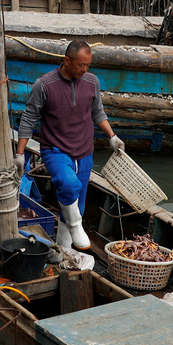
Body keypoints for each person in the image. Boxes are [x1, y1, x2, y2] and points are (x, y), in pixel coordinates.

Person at [13, 40, 124, 250]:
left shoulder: (92, 82)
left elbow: (97, 112)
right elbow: (28, 119)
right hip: (55, 149)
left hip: (84, 151)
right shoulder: (44, 85)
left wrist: (112, 137)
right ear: (67, 60)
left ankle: (63, 249)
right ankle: (75, 226)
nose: (84, 69)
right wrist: (20, 154)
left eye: (88, 65)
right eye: (81, 65)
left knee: (78, 204)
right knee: (69, 185)